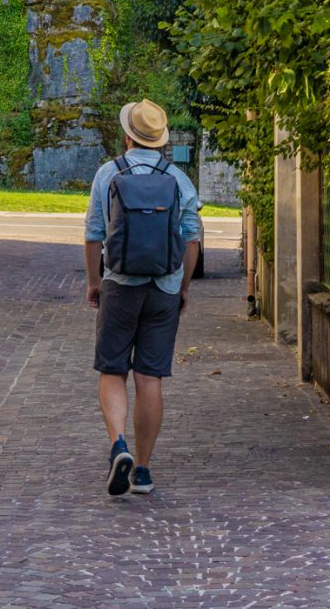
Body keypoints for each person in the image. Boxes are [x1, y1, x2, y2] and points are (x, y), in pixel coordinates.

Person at [84, 97, 202, 497]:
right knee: (150, 376)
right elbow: (192, 239)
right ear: (161, 141)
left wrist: (94, 282)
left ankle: (119, 445)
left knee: (113, 370)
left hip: (119, 283)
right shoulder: (179, 179)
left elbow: (93, 234)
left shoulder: (108, 174)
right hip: (164, 287)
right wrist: (182, 287)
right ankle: (145, 471)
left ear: (126, 136)